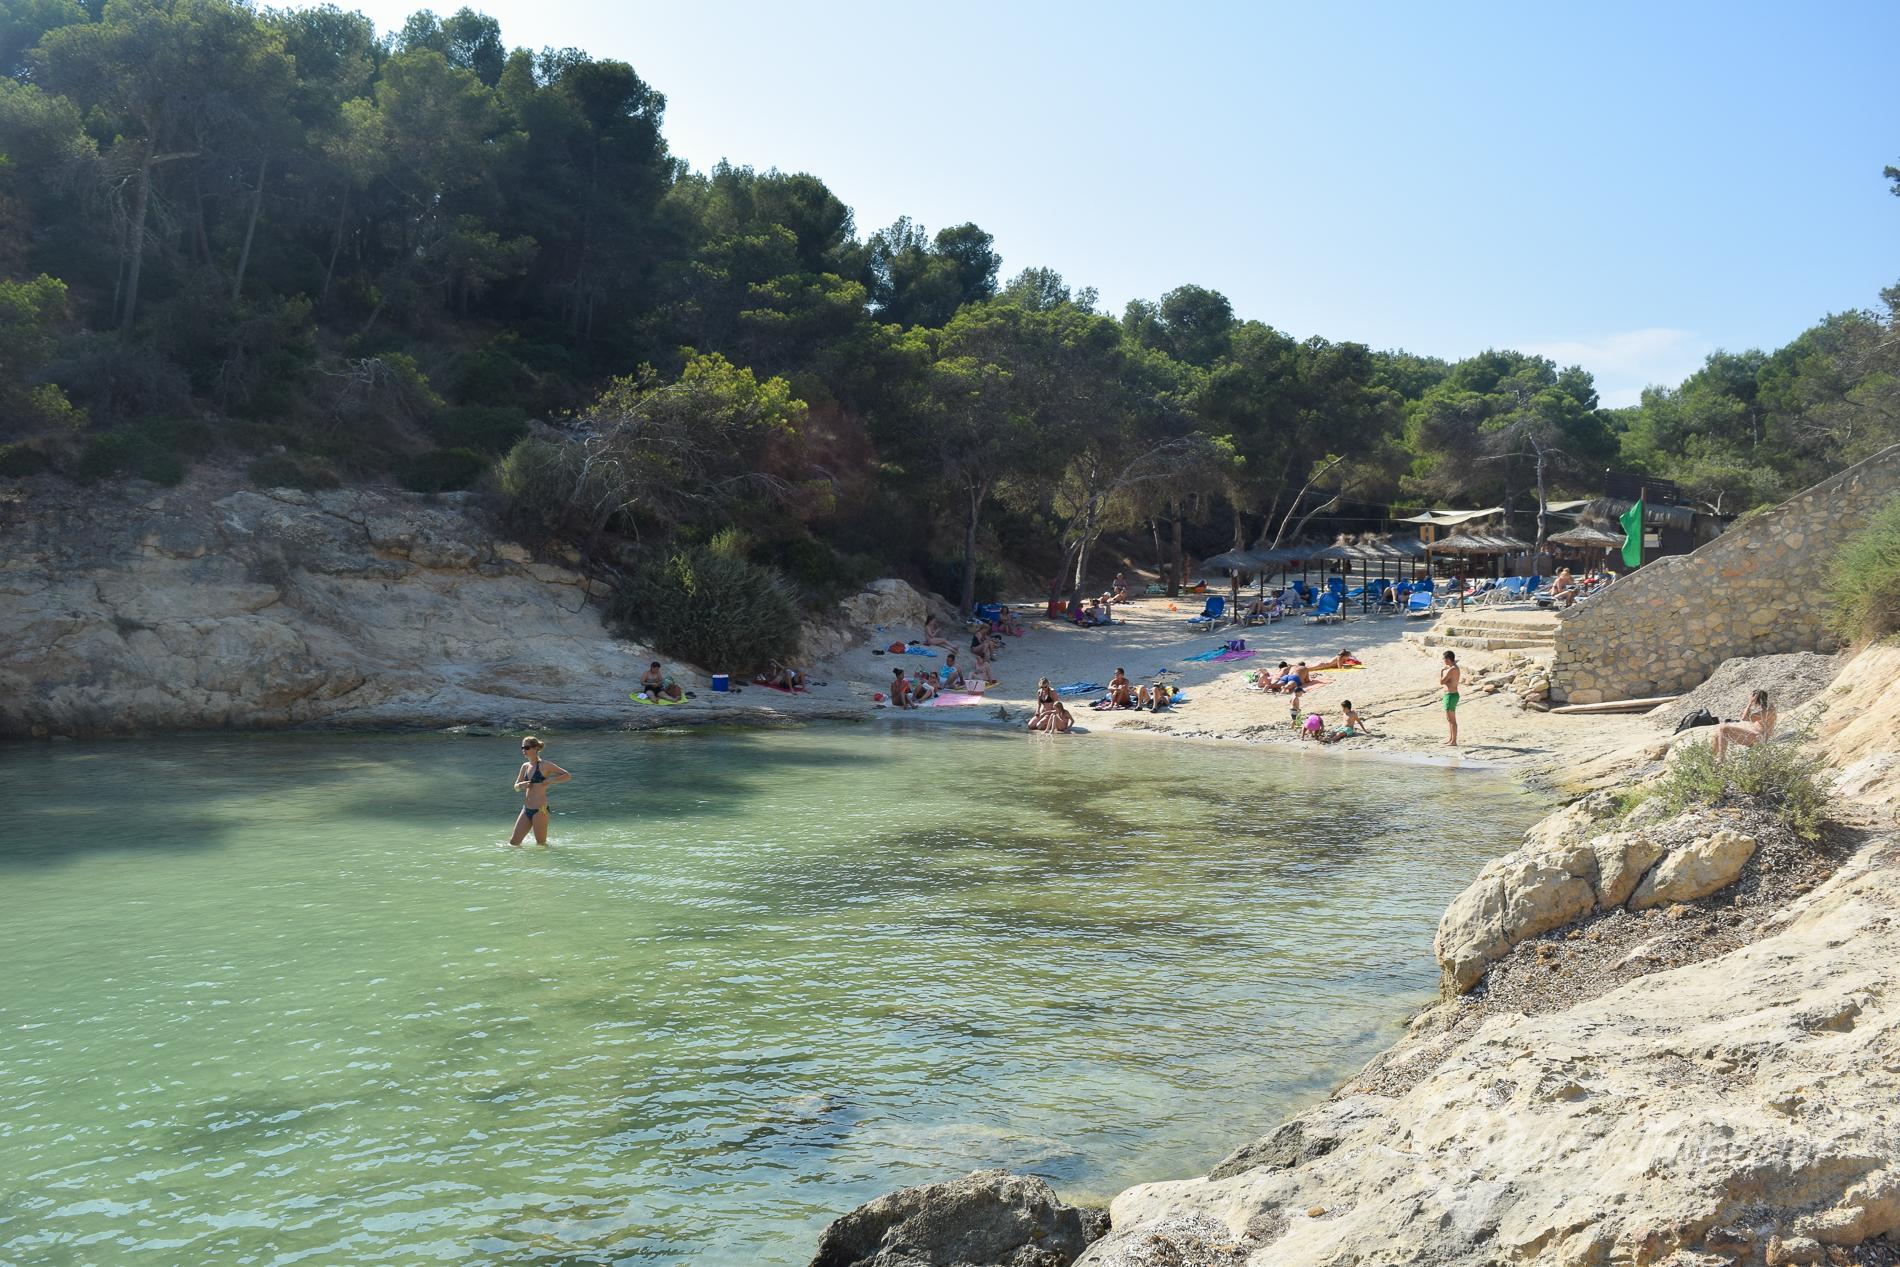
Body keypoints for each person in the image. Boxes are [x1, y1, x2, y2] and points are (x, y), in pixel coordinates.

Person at [509, 735, 572, 847]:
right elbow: (516, 787)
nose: (524, 750)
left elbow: (567, 776)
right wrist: (521, 785)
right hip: (526, 810)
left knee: (541, 845)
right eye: (522, 748)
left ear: (535, 748)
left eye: (527, 748)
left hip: (540, 810)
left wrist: (551, 780)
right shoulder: (525, 766)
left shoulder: (545, 765)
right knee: (514, 843)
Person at [1713, 689, 1776, 761]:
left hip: (1758, 739)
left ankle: (1721, 758)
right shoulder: (1768, 709)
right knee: (1718, 732)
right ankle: (1712, 757)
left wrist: (1750, 703)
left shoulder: (1767, 712)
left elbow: (1744, 718)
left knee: (1723, 728)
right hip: (1754, 737)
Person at [1440, 650, 1461, 746]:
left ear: (1448, 659)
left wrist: (1442, 671)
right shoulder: (1454, 668)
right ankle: (1451, 739)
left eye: (1444, 658)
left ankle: (1454, 741)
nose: (1443, 660)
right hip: (1451, 695)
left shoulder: (1451, 669)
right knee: (1449, 719)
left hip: (1451, 695)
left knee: (1451, 719)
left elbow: (1442, 681)